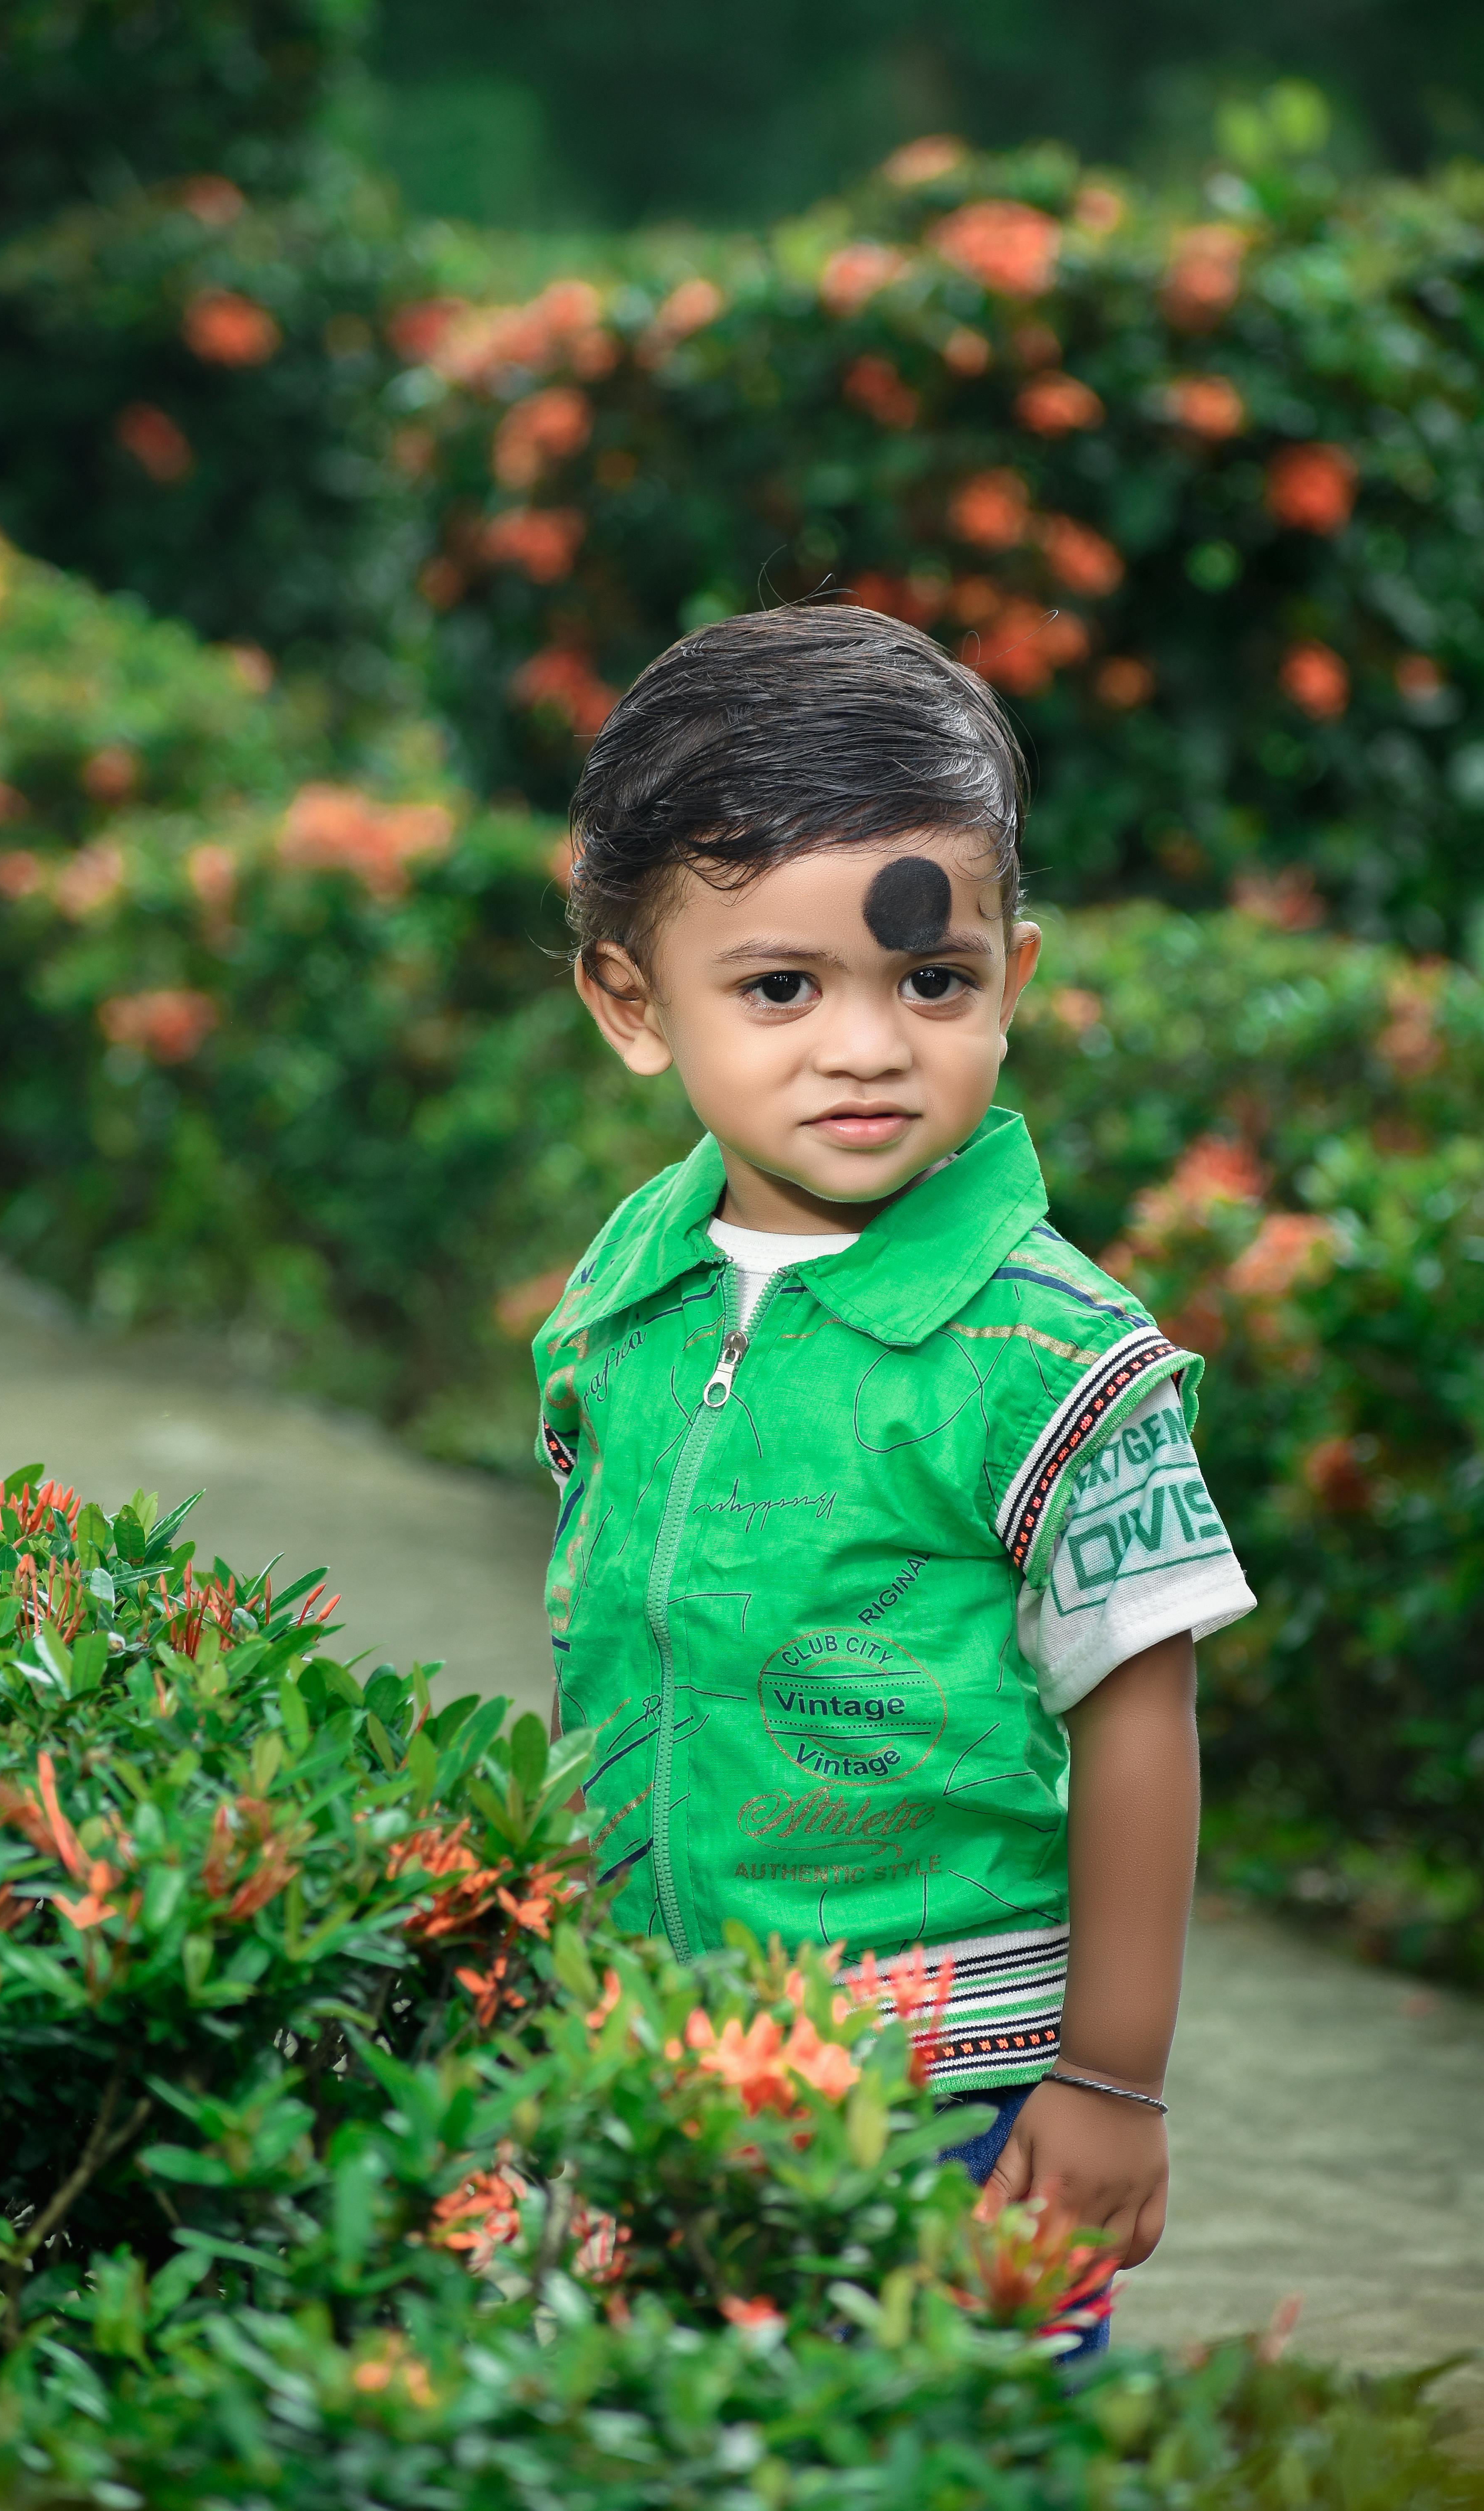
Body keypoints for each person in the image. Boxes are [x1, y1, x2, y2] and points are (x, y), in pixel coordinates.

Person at [530, 603, 1254, 2352]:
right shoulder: (621, 1303)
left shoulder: (1046, 1356)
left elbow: (1138, 1718)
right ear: (634, 1006)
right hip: (659, 2048)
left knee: (941, 2444)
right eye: (781, 988)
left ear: (1011, 969)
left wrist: (1112, 2083)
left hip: (949, 2085)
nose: (866, 1046)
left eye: (933, 980)